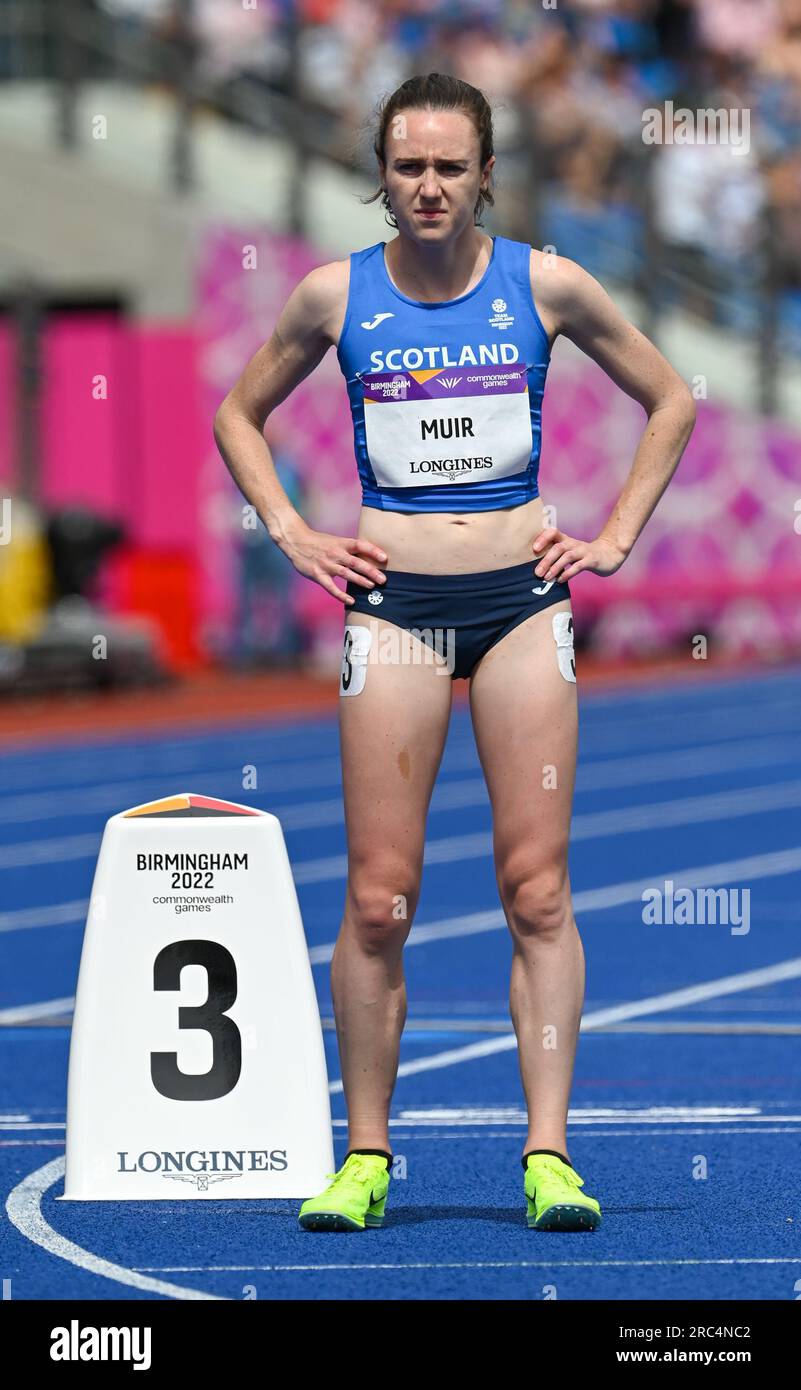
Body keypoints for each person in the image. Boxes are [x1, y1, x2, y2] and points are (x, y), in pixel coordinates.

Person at [213, 72, 696, 1234]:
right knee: (380, 900)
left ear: (485, 174)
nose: (429, 187)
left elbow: (671, 396)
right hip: (395, 614)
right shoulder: (335, 299)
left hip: (524, 603)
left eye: (449, 167)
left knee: (536, 889)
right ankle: (368, 1156)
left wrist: (615, 533)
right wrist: (292, 531)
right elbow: (239, 414)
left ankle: (548, 1156)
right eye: (409, 166)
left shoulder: (548, 283)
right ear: (380, 177)